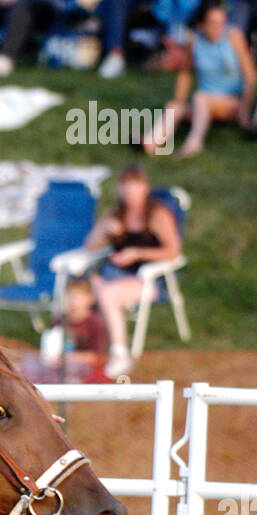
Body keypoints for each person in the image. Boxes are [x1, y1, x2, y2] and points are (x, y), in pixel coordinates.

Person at [84, 164, 181, 377]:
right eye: (125, 186)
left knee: (107, 295)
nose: (130, 192)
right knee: (82, 287)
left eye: (134, 186)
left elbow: (173, 251)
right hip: (112, 275)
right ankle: (73, 346)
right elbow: (89, 244)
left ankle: (119, 354)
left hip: (147, 279)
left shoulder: (157, 214)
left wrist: (137, 253)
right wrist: (105, 232)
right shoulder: (117, 213)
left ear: (145, 187)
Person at [144, 1, 255, 155]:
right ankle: (150, 144)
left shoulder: (233, 36)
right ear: (201, 25)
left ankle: (194, 142)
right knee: (175, 107)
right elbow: (185, 73)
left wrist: (245, 109)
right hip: (203, 107)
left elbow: (249, 75)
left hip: (231, 104)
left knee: (200, 98)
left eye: (222, 23)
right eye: (213, 24)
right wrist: (179, 99)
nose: (219, 28)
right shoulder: (194, 41)